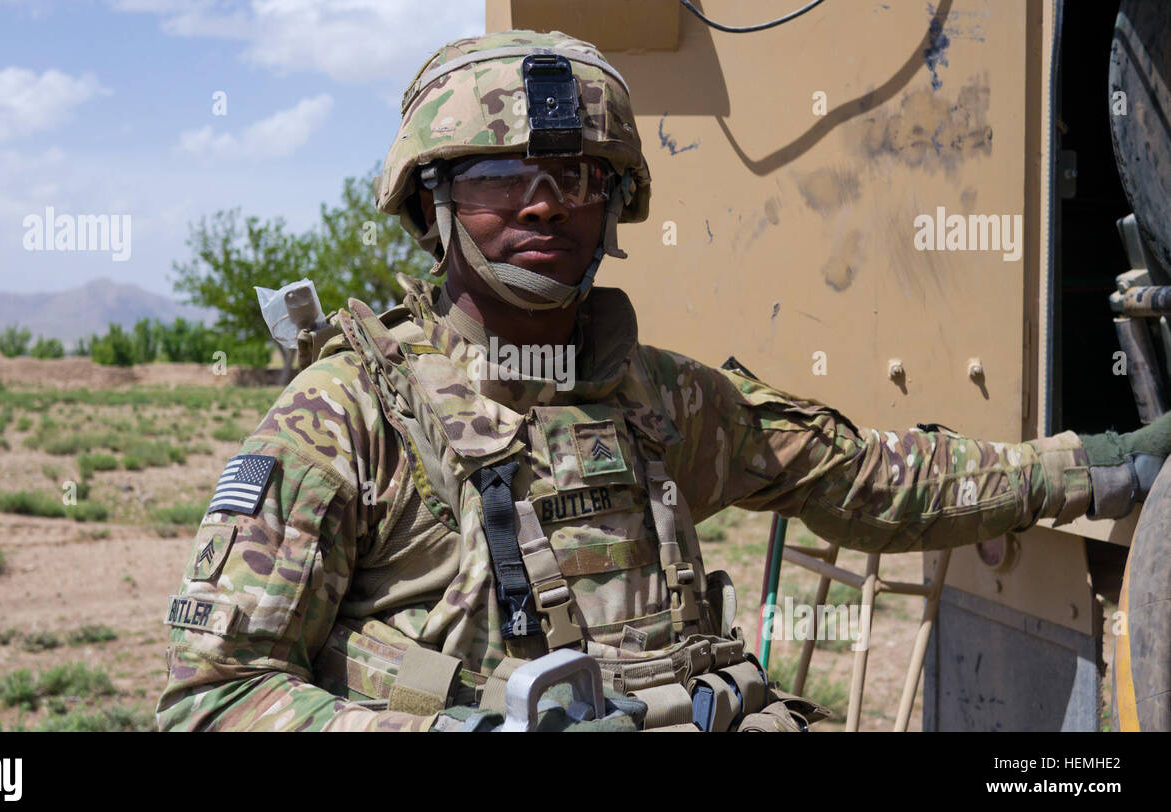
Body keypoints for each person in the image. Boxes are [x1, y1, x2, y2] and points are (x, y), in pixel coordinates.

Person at [156, 30, 1171, 732]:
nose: (545, 207)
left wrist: (1106, 464)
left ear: (614, 206)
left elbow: (877, 482)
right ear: (432, 206)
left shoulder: (667, 401)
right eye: (498, 178)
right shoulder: (344, 417)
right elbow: (213, 697)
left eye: (578, 177)